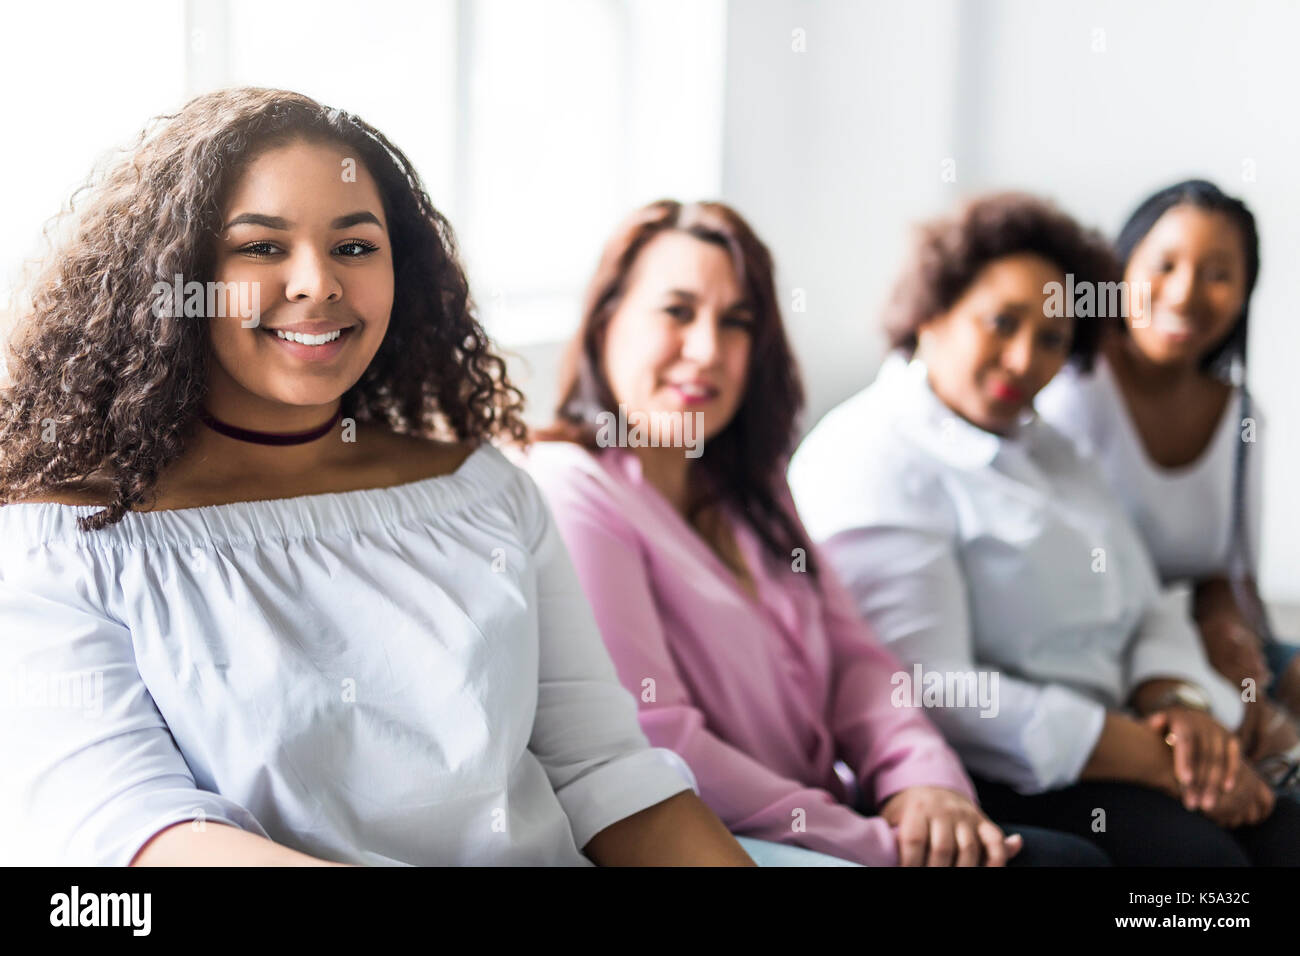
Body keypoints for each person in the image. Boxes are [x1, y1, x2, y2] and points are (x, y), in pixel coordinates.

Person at [0, 89, 752, 867]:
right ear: (175, 278)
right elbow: (134, 832)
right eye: (261, 247)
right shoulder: (61, 540)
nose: (318, 283)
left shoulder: (484, 491)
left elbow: (605, 771)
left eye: (355, 248)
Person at [521, 199, 1107, 866]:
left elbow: (857, 660)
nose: (708, 349)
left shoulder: (749, 484)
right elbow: (658, 738)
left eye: (738, 322)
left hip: (836, 813)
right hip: (727, 840)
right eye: (677, 311)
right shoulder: (572, 487)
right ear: (606, 321)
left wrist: (923, 782)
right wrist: (868, 841)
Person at [788, 192, 1300, 864]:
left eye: (1053, 338)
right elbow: (927, 684)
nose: (1025, 358)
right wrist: (1146, 755)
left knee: (1287, 832)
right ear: (934, 311)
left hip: (1126, 736)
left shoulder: (1051, 448)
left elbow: (1151, 605)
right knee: (1204, 871)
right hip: (1001, 764)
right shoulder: (870, 452)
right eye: (1002, 322)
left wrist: (1176, 703)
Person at [1036, 181, 1300, 781]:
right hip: (1100, 648)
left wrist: (1240, 649)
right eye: (1165, 264)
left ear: (1244, 295)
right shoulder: (1071, 388)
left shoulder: (1243, 417)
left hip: (1196, 640)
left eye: (1218, 274)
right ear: (1120, 267)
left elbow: (1229, 575)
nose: (1184, 293)